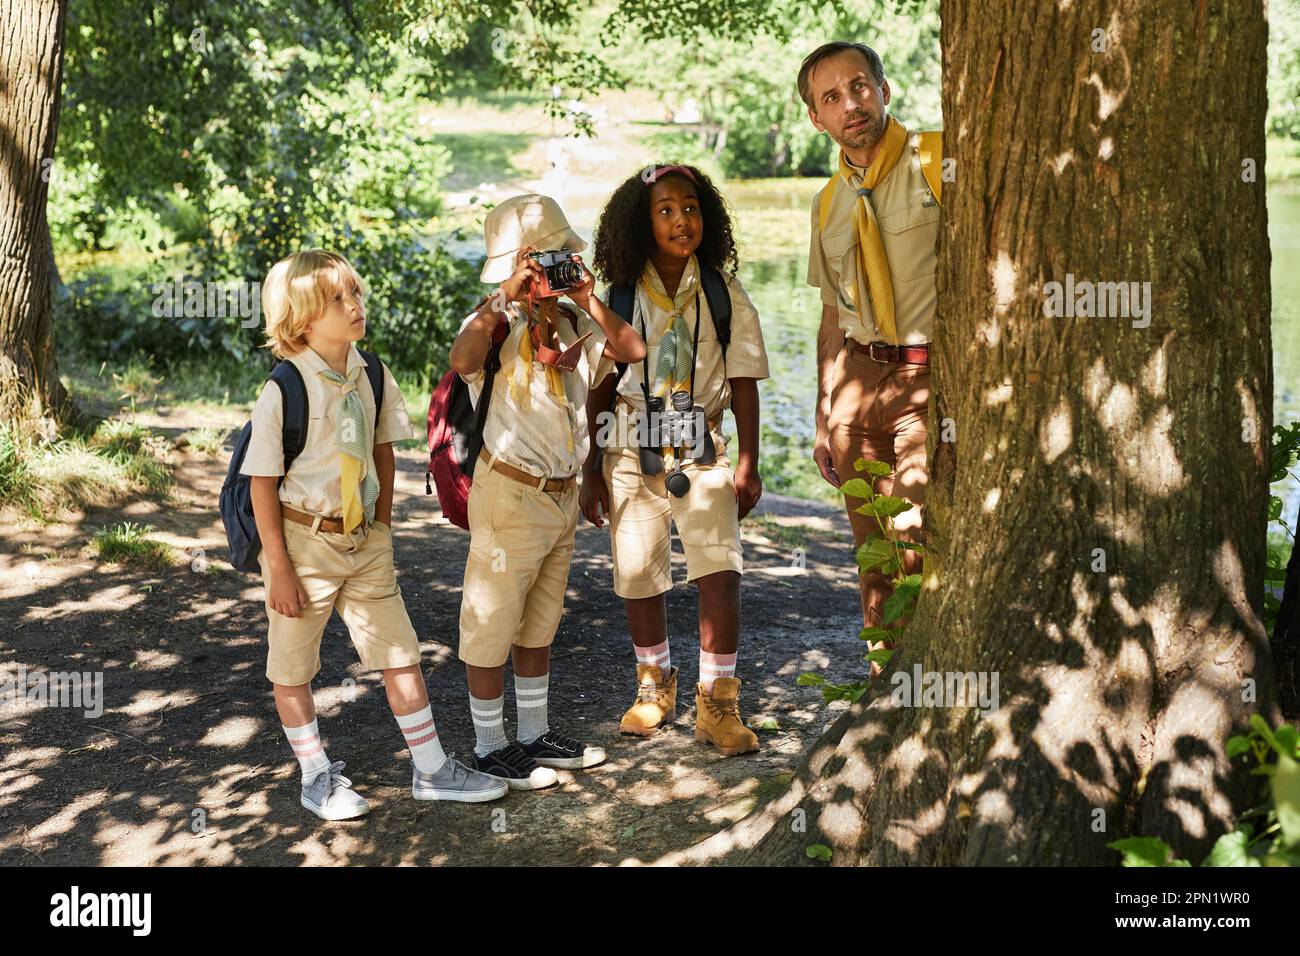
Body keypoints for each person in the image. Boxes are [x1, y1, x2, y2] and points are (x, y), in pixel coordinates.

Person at [243, 249, 508, 820]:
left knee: (399, 652)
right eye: (339, 299)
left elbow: (383, 454)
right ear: (301, 319)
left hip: (364, 542)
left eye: (355, 293)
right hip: (302, 544)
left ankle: (432, 767)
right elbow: (262, 483)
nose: (356, 305)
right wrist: (280, 567)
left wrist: (382, 525)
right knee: (292, 666)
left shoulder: (373, 374)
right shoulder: (284, 388)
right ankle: (316, 775)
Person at [449, 194, 646, 789]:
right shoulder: (497, 320)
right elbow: (463, 359)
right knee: (490, 623)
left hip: (558, 497)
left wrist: (586, 297)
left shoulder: (575, 320)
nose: (551, 269)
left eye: (560, 257)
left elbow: (634, 350)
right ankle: (490, 746)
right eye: (540, 259)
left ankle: (532, 735)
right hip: (510, 492)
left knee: (539, 625)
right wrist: (506, 295)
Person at [582, 164, 770, 755]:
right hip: (629, 443)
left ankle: (718, 702)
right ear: (643, 223)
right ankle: (653, 684)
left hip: (702, 444)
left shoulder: (721, 291)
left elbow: (743, 381)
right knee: (639, 572)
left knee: (720, 569)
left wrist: (749, 463)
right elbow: (598, 390)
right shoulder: (617, 297)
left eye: (690, 208)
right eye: (665, 210)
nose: (680, 220)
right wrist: (590, 468)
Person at [801, 41, 942, 657]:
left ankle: (929, 681)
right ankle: (886, 679)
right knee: (873, 556)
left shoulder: (939, 160)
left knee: (915, 547)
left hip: (926, 380)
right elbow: (833, 315)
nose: (849, 105)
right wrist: (824, 407)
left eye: (859, 86)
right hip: (857, 388)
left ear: (884, 90)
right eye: (830, 97)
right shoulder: (828, 202)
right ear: (817, 118)